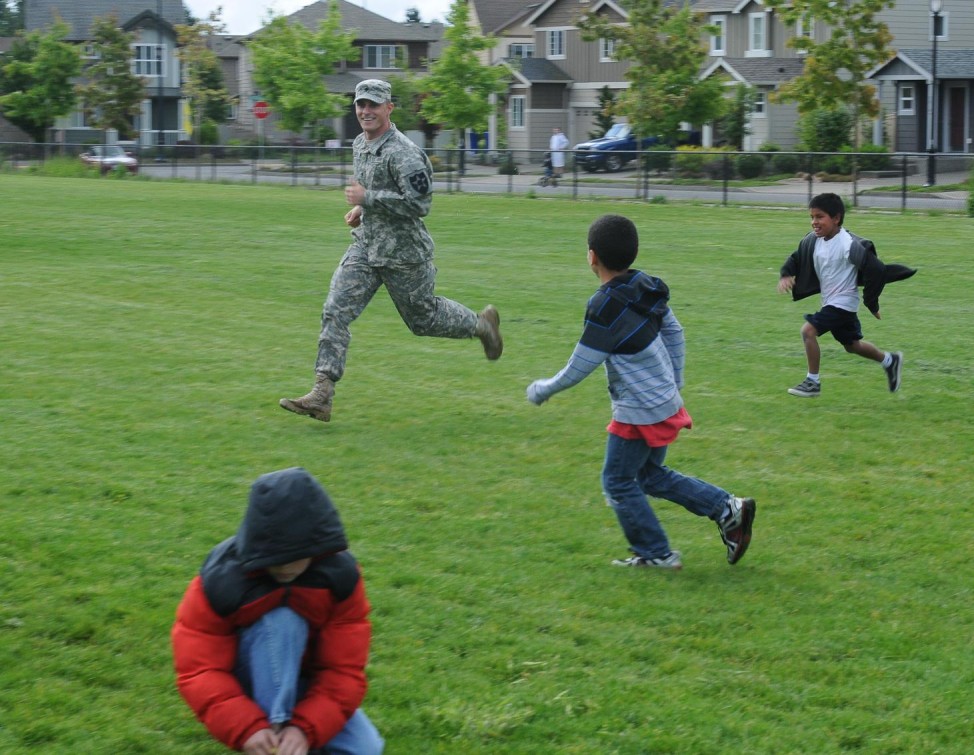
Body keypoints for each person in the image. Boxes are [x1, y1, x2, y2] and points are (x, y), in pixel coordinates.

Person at [526, 214, 755, 569]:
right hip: (663, 401)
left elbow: (581, 364)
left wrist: (545, 388)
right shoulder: (645, 285)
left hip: (639, 409)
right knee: (649, 476)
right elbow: (676, 334)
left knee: (617, 481)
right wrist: (674, 383)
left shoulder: (604, 305)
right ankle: (728, 508)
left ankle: (657, 553)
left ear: (591, 257)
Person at [281, 79, 503, 422]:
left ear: (389, 108)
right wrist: (362, 211)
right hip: (366, 249)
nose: (366, 111)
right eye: (360, 105)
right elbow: (376, 190)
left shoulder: (405, 152)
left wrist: (367, 199)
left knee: (423, 319)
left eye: (373, 104)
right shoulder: (360, 144)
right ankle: (322, 393)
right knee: (334, 310)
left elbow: (420, 204)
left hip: (405, 255)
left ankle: (481, 326)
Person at [171, 468, 383, 754]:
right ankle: (274, 734)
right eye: (276, 559)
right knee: (282, 622)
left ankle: (289, 737)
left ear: (317, 547)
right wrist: (247, 726)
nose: (285, 568)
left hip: (305, 683)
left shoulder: (342, 578)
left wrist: (306, 727)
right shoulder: (220, 580)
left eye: (294, 558)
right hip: (243, 684)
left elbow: (343, 669)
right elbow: (199, 669)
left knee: (366, 748)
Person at [777, 192, 913, 398]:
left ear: (836, 218)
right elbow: (797, 257)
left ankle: (812, 382)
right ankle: (890, 361)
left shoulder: (847, 244)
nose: (814, 222)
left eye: (820, 217)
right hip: (832, 304)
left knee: (808, 331)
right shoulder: (813, 241)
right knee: (852, 346)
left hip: (842, 304)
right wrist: (786, 274)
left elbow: (874, 269)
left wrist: (872, 302)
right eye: (812, 217)